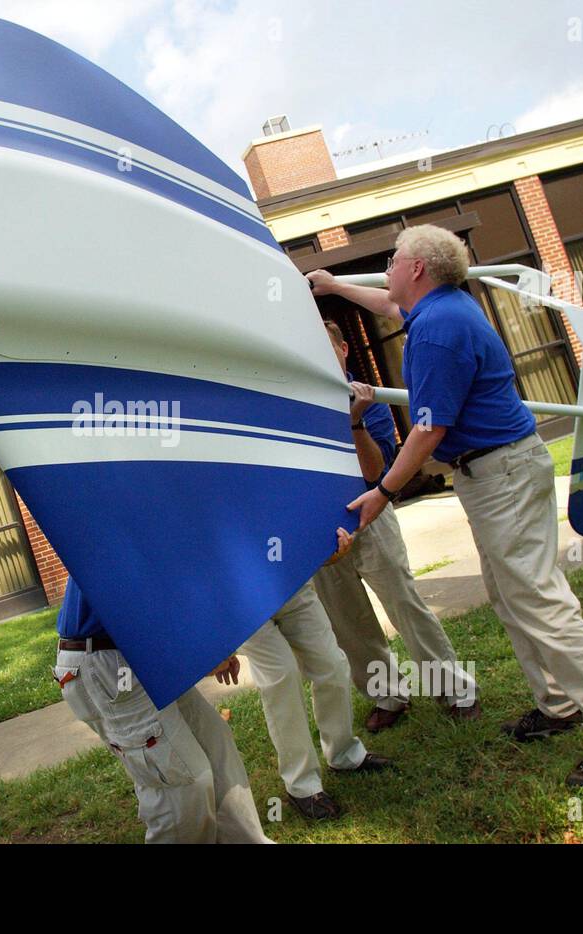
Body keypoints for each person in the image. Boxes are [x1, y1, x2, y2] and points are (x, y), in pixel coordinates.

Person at [317, 225, 583, 795]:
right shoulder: (444, 306)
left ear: (417, 270)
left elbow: (428, 429)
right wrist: (332, 283)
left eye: (393, 259)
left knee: (538, 598)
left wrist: (383, 492)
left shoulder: (436, 333)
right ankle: (557, 705)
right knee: (511, 594)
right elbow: (384, 299)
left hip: (500, 472)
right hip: (496, 472)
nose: (386, 266)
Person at [305, 316, 480, 731]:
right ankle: (389, 696)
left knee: (405, 605)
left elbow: (376, 471)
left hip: (370, 517)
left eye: (326, 347)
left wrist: (354, 420)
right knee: (349, 623)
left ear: (344, 349)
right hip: (320, 531)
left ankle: (455, 690)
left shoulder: (372, 397)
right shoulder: (299, 404)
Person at [54, 576, 272, 843]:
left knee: (216, 744)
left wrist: (212, 648)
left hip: (139, 650)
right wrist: (199, 657)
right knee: (184, 780)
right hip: (106, 661)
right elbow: (143, 594)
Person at [239, 577, 392, 820]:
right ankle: (302, 785)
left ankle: (343, 753)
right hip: (239, 600)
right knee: (281, 677)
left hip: (289, 582)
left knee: (332, 664)